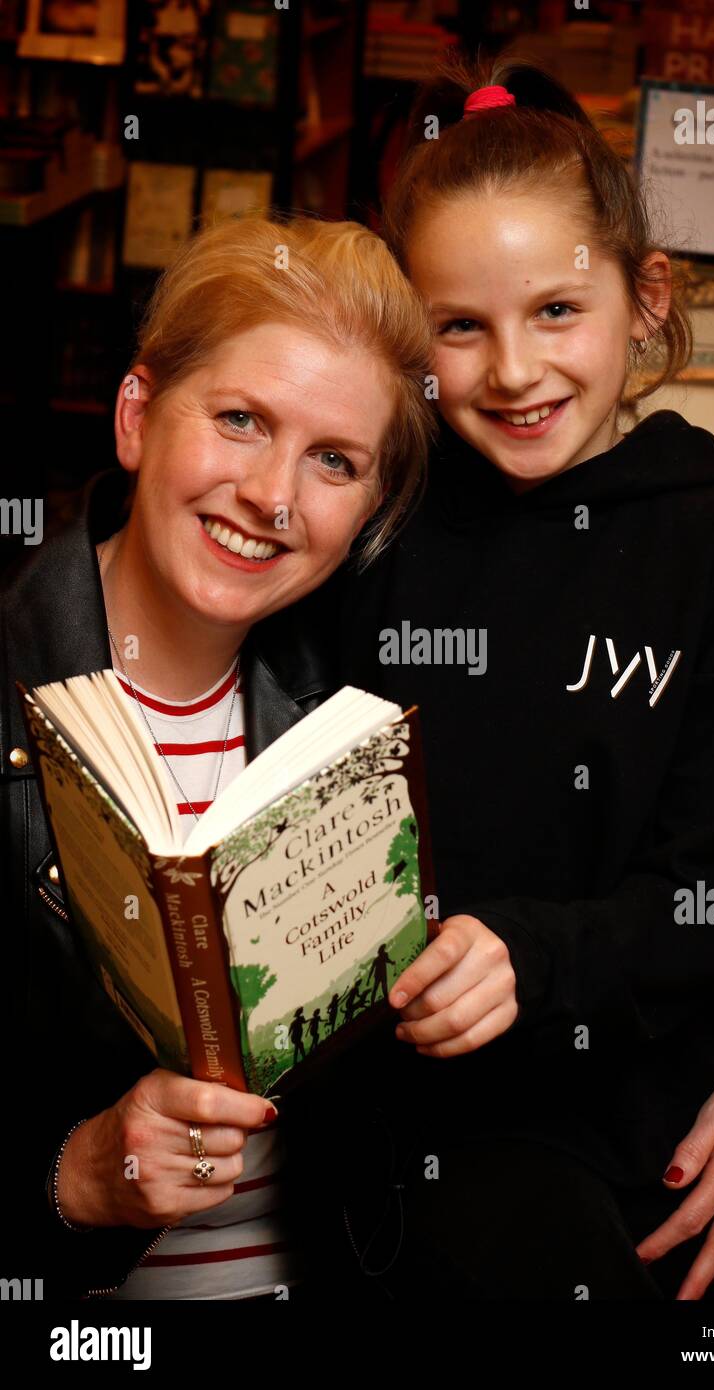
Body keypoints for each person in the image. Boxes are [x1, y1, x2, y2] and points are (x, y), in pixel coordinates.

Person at [309, 53, 714, 1301]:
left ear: (645, 297)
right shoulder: (382, 507)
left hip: (623, 1104)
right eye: (460, 327)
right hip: (389, 1092)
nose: (514, 372)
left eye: (555, 311)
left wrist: (544, 959)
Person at [0, 212, 433, 1300]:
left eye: (333, 460)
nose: (272, 497)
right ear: (137, 414)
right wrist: (69, 1180)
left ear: (369, 507)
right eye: (239, 420)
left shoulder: (355, 714)